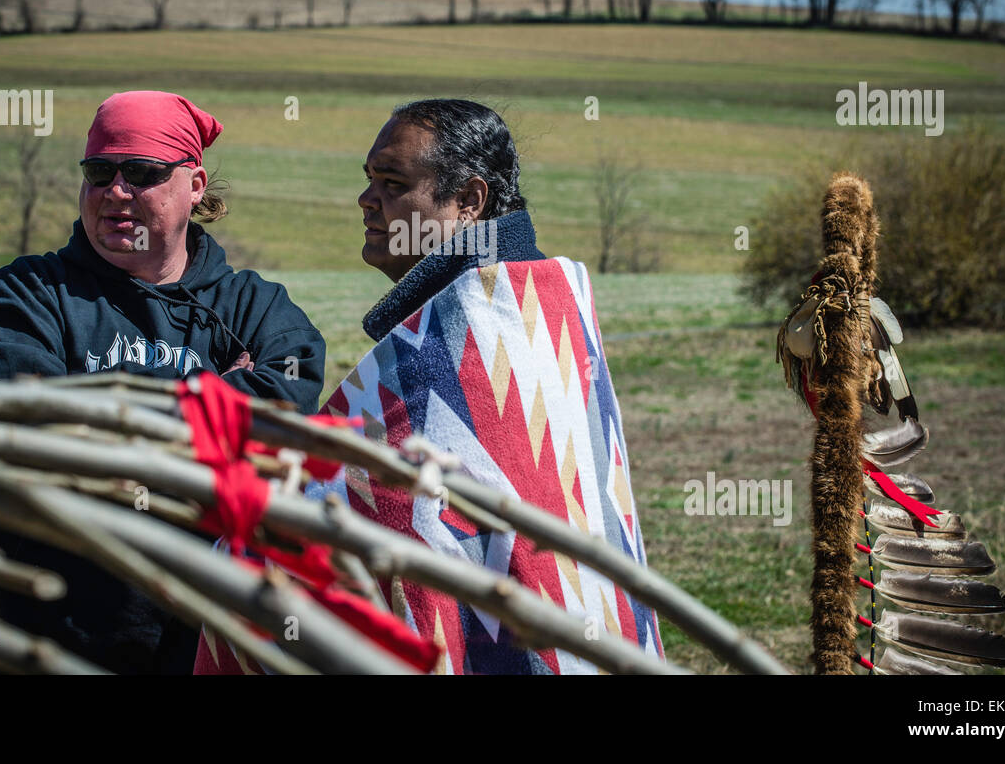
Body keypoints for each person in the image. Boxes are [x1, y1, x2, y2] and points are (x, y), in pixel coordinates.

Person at [195, 98, 663, 674]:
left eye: (392, 183)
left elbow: (382, 505)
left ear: (468, 200)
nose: (367, 200)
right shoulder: (514, 305)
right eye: (369, 180)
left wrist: (255, 528)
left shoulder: (493, 322)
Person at [0, 90, 326, 674]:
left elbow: (286, 408)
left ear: (194, 185)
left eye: (142, 173)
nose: (116, 192)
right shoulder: (27, 295)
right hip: (25, 645)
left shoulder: (255, 307)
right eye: (100, 172)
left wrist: (103, 412)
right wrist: (213, 398)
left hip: (189, 648)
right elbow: (30, 432)